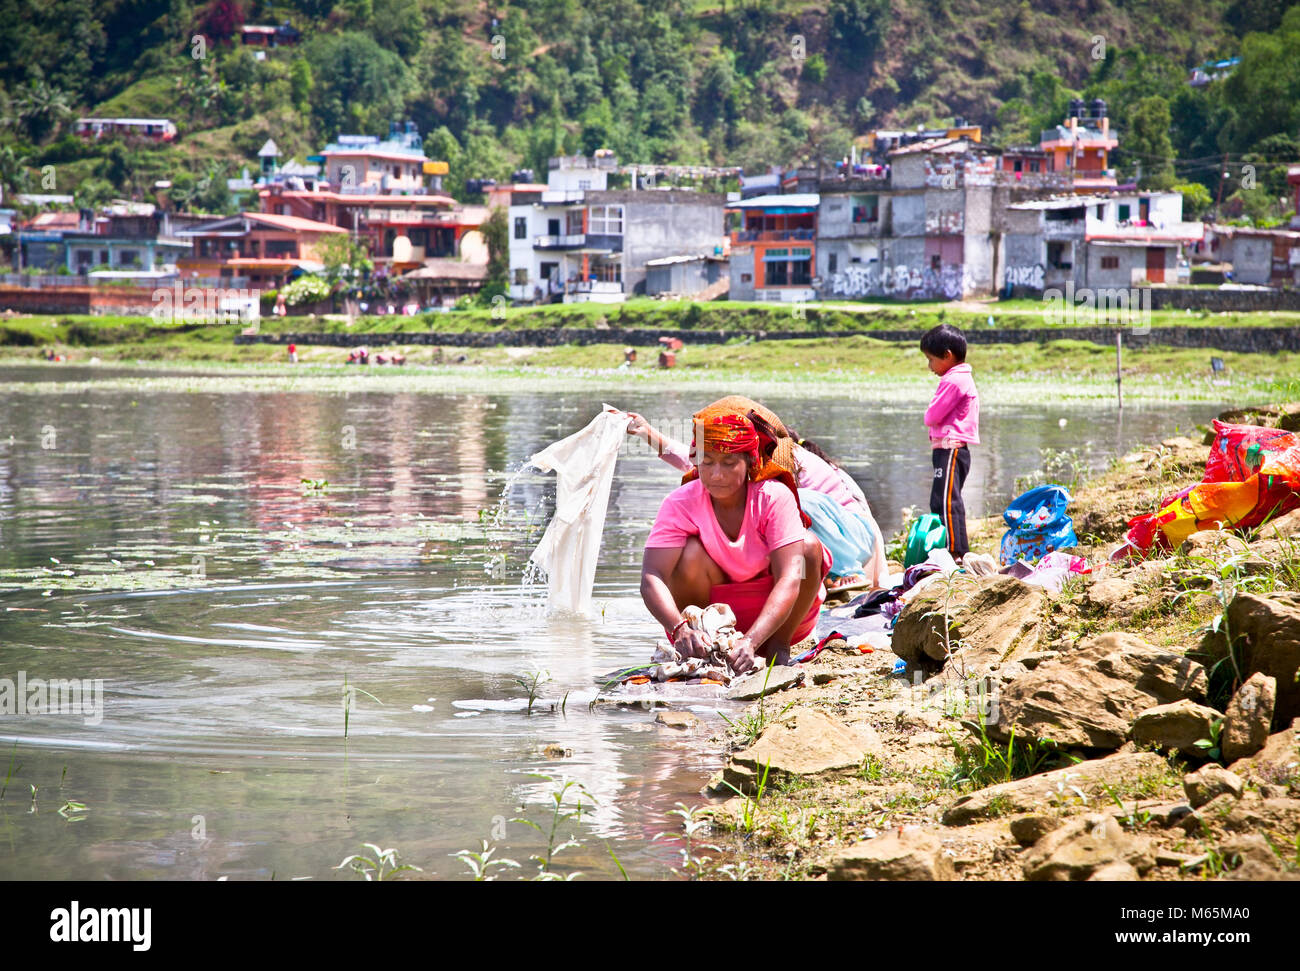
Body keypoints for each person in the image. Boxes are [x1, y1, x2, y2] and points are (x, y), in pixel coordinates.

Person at [640, 402, 830, 674]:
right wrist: (679, 628)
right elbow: (652, 575)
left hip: (780, 613)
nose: (717, 475)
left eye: (729, 463)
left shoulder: (773, 497)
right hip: (712, 618)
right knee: (689, 553)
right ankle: (705, 645)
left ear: (751, 462)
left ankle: (778, 647)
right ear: (695, 461)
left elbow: (790, 576)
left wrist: (752, 641)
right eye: (707, 462)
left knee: (808, 548)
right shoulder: (680, 502)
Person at [621, 396, 889, 590]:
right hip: (816, 540)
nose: (717, 470)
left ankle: (845, 573)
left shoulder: (788, 463)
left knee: (794, 501)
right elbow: (693, 459)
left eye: (728, 458)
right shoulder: (732, 469)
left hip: (851, 539)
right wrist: (647, 432)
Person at [921, 323, 980, 560]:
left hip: (951, 448)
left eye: (931, 359)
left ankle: (955, 551)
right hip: (948, 449)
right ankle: (953, 549)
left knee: (946, 502)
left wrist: (927, 415)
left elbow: (932, 415)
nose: (929, 367)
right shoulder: (958, 378)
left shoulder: (954, 380)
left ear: (947, 355)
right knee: (944, 500)